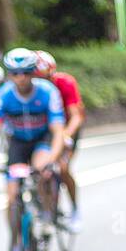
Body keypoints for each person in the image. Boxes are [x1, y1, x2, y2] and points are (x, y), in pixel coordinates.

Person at [0, 47, 66, 251]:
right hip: (17, 143)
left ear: (33, 73)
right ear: (8, 74)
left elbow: (58, 131)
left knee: (41, 169)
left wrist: (52, 160)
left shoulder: (47, 92)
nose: (21, 78)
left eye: (26, 73)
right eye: (15, 73)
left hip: (41, 140)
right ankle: (16, 240)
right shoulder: (2, 95)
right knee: (11, 196)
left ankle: (46, 214)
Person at [35, 50, 86, 232]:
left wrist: (66, 135)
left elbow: (76, 116)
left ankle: (74, 209)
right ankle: (44, 208)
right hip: (44, 131)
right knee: (38, 169)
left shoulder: (65, 83)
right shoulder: (29, 88)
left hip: (66, 129)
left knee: (63, 168)